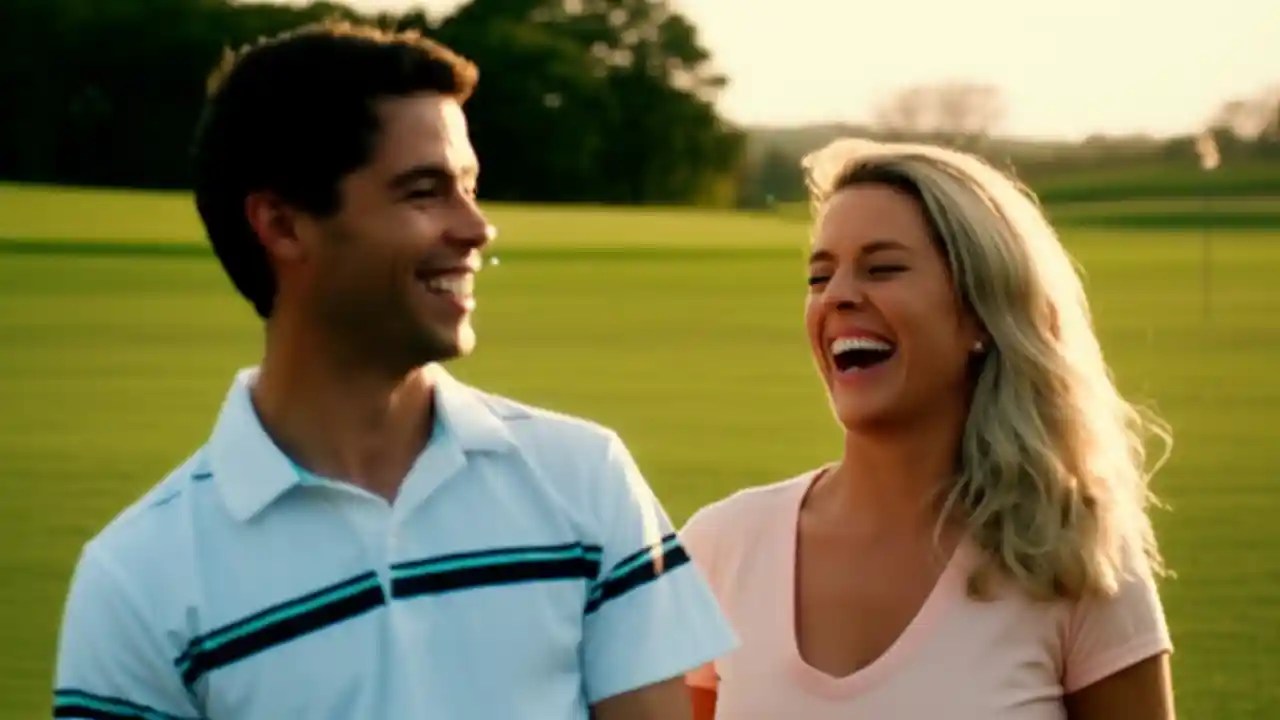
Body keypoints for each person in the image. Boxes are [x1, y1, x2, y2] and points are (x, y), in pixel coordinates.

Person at [52, 21, 735, 720]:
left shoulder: (585, 479)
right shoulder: (138, 581)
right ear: (283, 227)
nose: (476, 228)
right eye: (423, 191)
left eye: (470, 187)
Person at [682, 137, 1175, 719]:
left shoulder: (1074, 557)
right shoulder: (723, 546)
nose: (837, 296)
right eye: (819, 277)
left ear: (981, 313)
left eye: (883, 268)